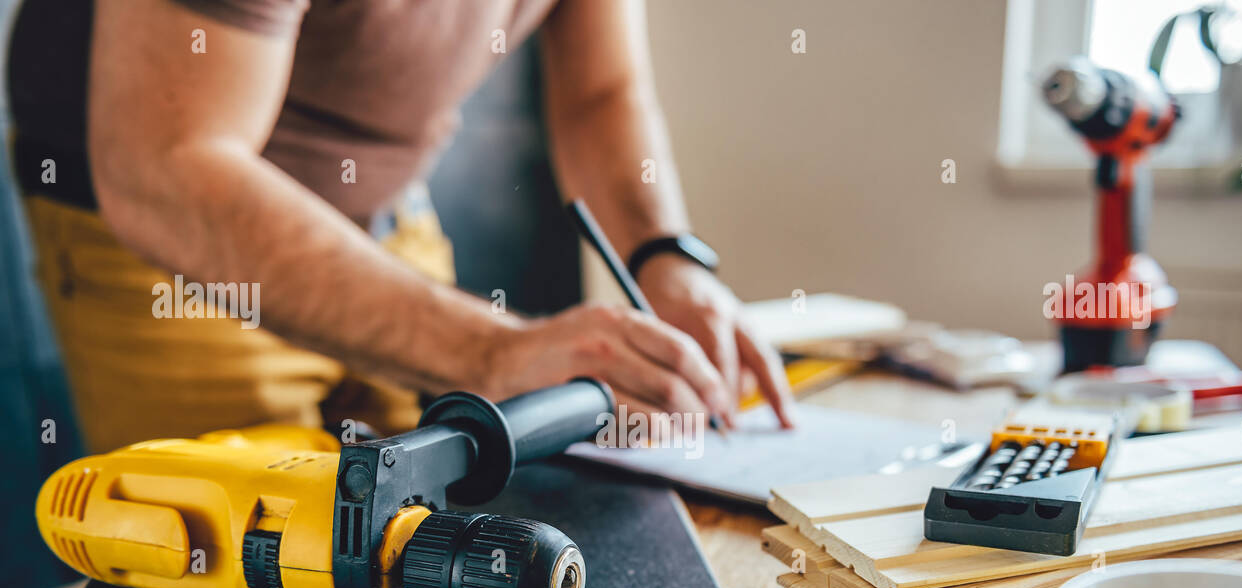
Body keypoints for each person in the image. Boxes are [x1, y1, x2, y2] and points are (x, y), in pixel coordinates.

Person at [6, 0, 793, 453]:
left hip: (387, 205)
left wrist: (665, 258)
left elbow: (603, 90)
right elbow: (167, 170)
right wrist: (489, 350)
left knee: (414, 557)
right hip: (179, 241)